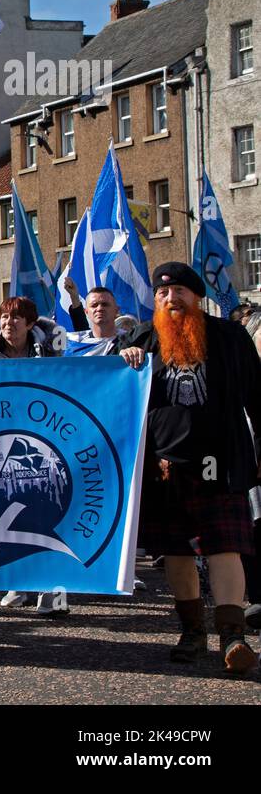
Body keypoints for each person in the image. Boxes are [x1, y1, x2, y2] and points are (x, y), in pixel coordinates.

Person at [118, 262, 261, 675]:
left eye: (179, 291)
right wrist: (124, 357)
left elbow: (258, 394)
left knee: (225, 546)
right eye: (163, 293)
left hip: (221, 459)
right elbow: (107, 391)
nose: (170, 298)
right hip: (163, 466)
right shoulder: (144, 339)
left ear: (196, 297)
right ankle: (192, 630)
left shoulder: (229, 337)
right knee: (176, 550)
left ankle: (233, 635)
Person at [0, 296, 69, 616]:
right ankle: (20, 581)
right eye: (3, 317)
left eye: (16, 318)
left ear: (30, 324)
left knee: (49, 510)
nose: (8, 323)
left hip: (46, 441)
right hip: (3, 443)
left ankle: (54, 589)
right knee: (9, 511)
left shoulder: (54, 354)